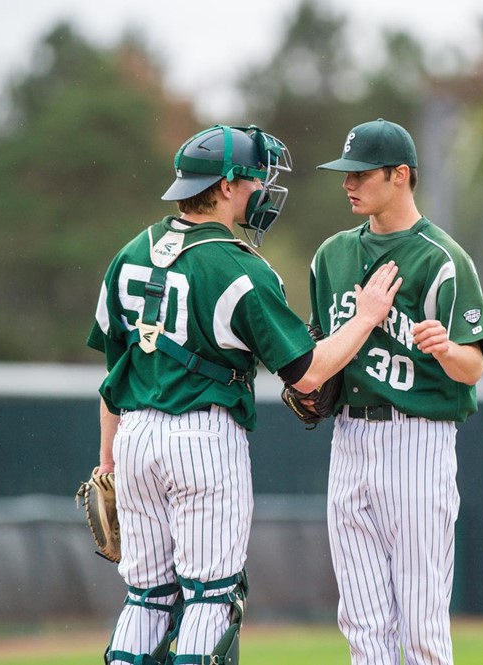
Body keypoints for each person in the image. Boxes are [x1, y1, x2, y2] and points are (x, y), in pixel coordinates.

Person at [86, 123, 402, 665]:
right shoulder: (240, 267)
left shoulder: (130, 254)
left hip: (134, 436)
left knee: (145, 598)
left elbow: (115, 376)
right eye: (256, 179)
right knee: (212, 597)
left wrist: (107, 461)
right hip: (202, 437)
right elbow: (307, 373)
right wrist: (367, 318)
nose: (262, 191)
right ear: (227, 184)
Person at [310, 118, 483, 665]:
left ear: (401, 176)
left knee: (420, 626)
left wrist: (445, 348)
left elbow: (472, 369)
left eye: (362, 174)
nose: (348, 183)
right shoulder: (331, 256)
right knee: (363, 624)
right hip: (348, 437)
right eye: (345, 173)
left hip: (417, 439)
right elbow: (322, 347)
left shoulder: (442, 258)